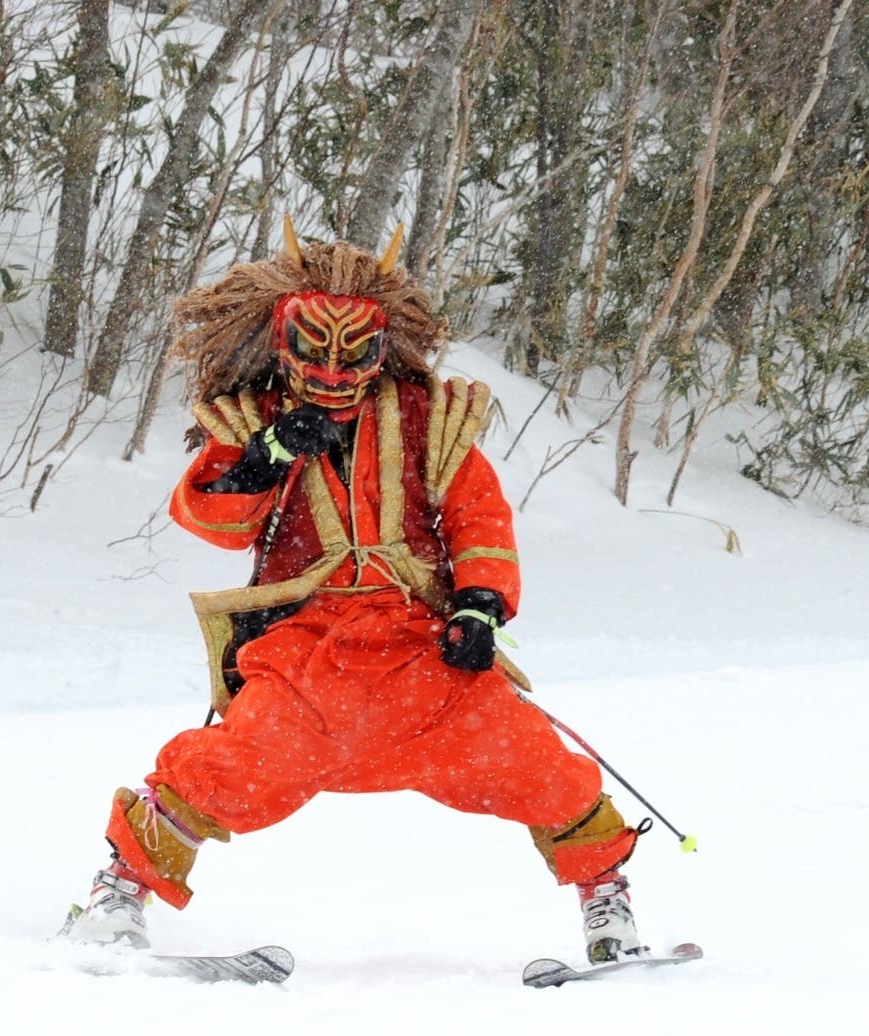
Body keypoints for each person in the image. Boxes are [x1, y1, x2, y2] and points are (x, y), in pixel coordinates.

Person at [61, 220, 652, 964]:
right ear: (282, 341)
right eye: (313, 347)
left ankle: (607, 905)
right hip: (307, 649)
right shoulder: (258, 419)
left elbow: (479, 517)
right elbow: (212, 517)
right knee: (240, 759)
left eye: (353, 350)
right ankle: (117, 893)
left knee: (529, 756)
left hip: (419, 649)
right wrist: (265, 458)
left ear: (383, 347)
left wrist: (479, 604)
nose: (333, 368)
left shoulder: (426, 418)